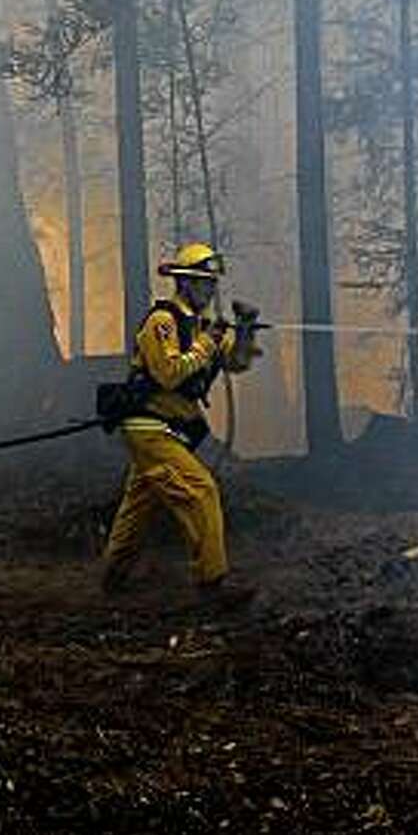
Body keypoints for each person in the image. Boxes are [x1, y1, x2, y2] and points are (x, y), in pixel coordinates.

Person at [100, 243, 260, 605]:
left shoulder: (200, 327)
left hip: (170, 430)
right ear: (184, 284)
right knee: (201, 490)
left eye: (212, 285)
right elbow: (170, 373)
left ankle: (113, 577)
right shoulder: (163, 322)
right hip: (149, 428)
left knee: (139, 503)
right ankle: (212, 584)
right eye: (202, 284)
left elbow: (235, 363)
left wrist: (246, 330)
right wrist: (208, 341)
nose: (209, 291)